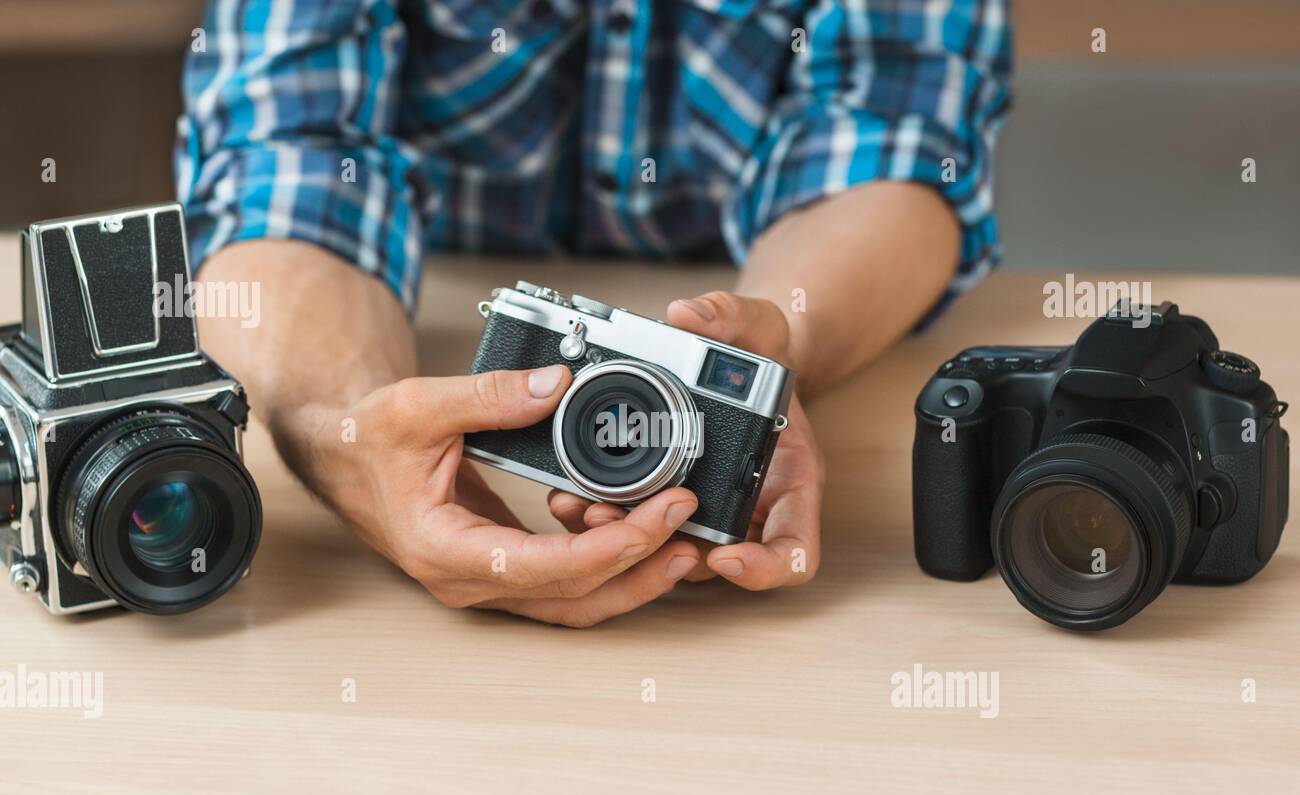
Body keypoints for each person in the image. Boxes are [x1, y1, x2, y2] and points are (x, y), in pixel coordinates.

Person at [175, 0, 1012, 626]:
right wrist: (348, 432)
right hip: (418, 294)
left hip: (761, 274)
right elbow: (285, 168)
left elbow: (897, 139)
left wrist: (778, 350)